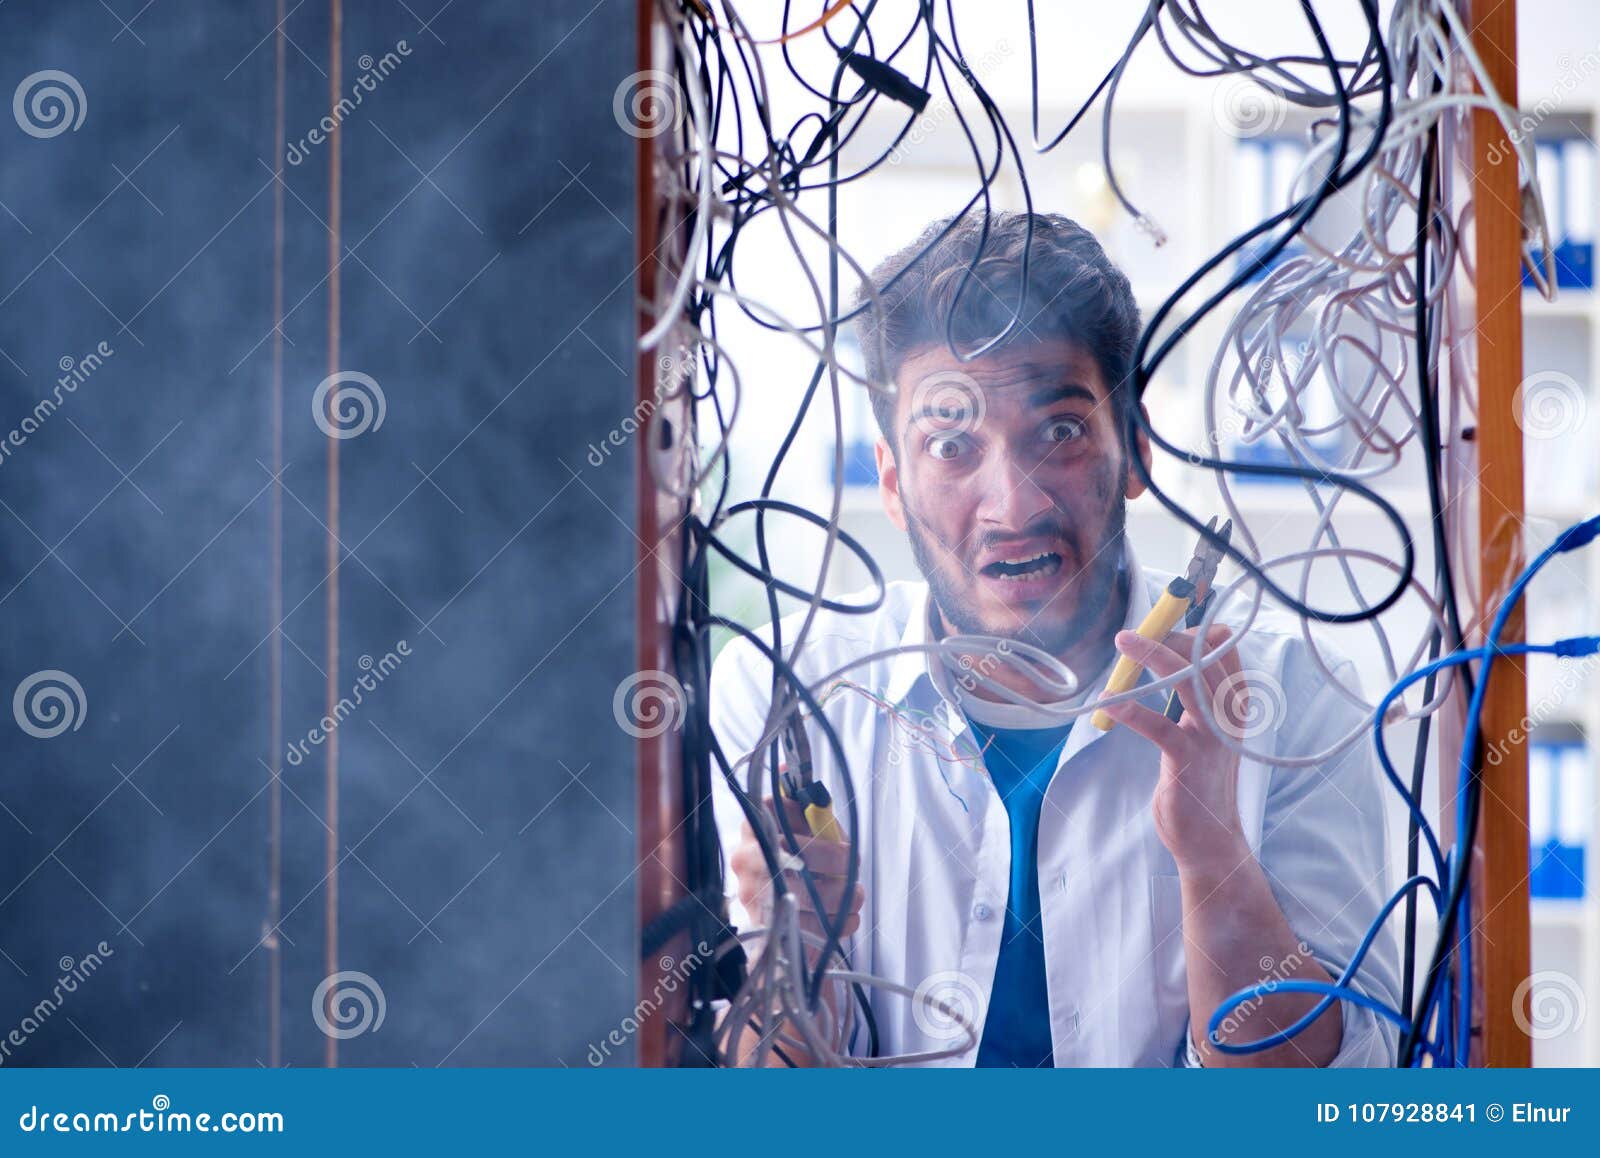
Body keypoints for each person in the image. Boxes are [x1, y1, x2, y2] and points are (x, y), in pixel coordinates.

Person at [709, 210, 1399, 1067]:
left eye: (1061, 432)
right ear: (892, 484)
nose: (1015, 504)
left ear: (1138, 448)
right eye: (951, 445)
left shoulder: (1294, 701)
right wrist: (795, 952)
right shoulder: (788, 694)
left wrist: (1217, 855)